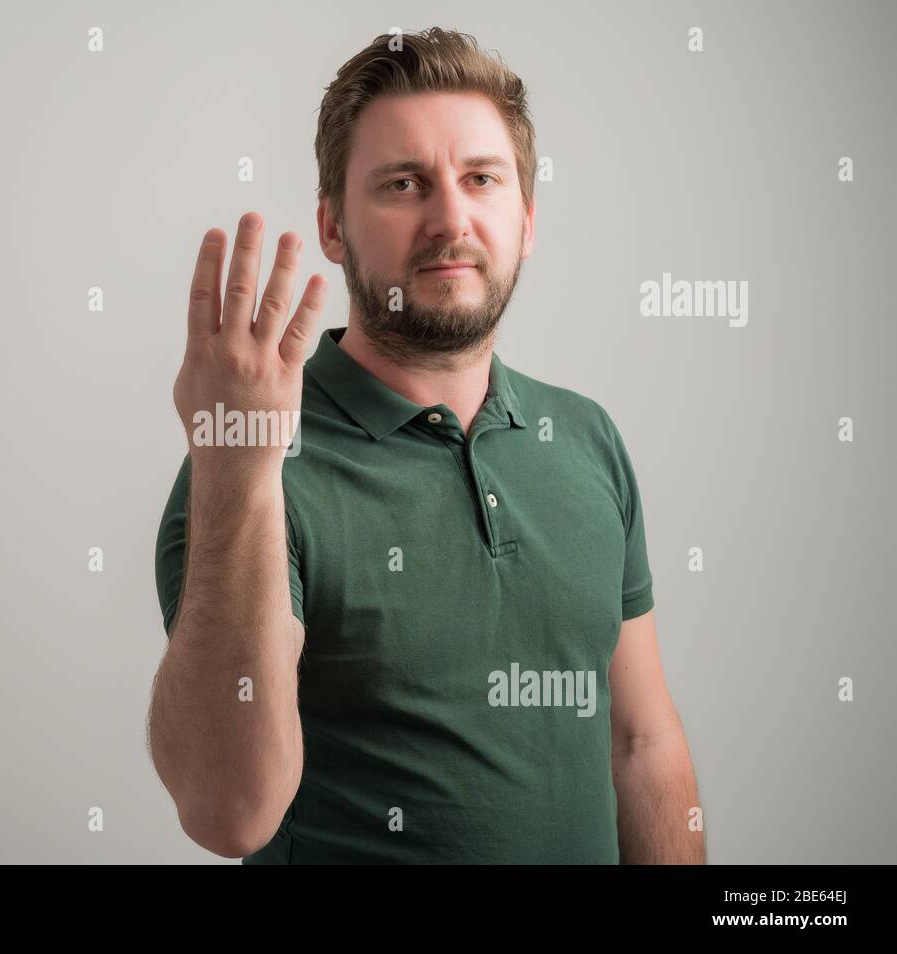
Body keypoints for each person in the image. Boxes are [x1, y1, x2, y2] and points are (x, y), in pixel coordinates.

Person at [148, 27, 703, 864]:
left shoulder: (586, 439)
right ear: (333, 227)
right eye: (403, 184)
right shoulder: (249, 474)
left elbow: (641, 741)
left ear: (526, 217)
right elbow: (230, 813)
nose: (451, 218)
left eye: (481, 179)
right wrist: (238, 465)